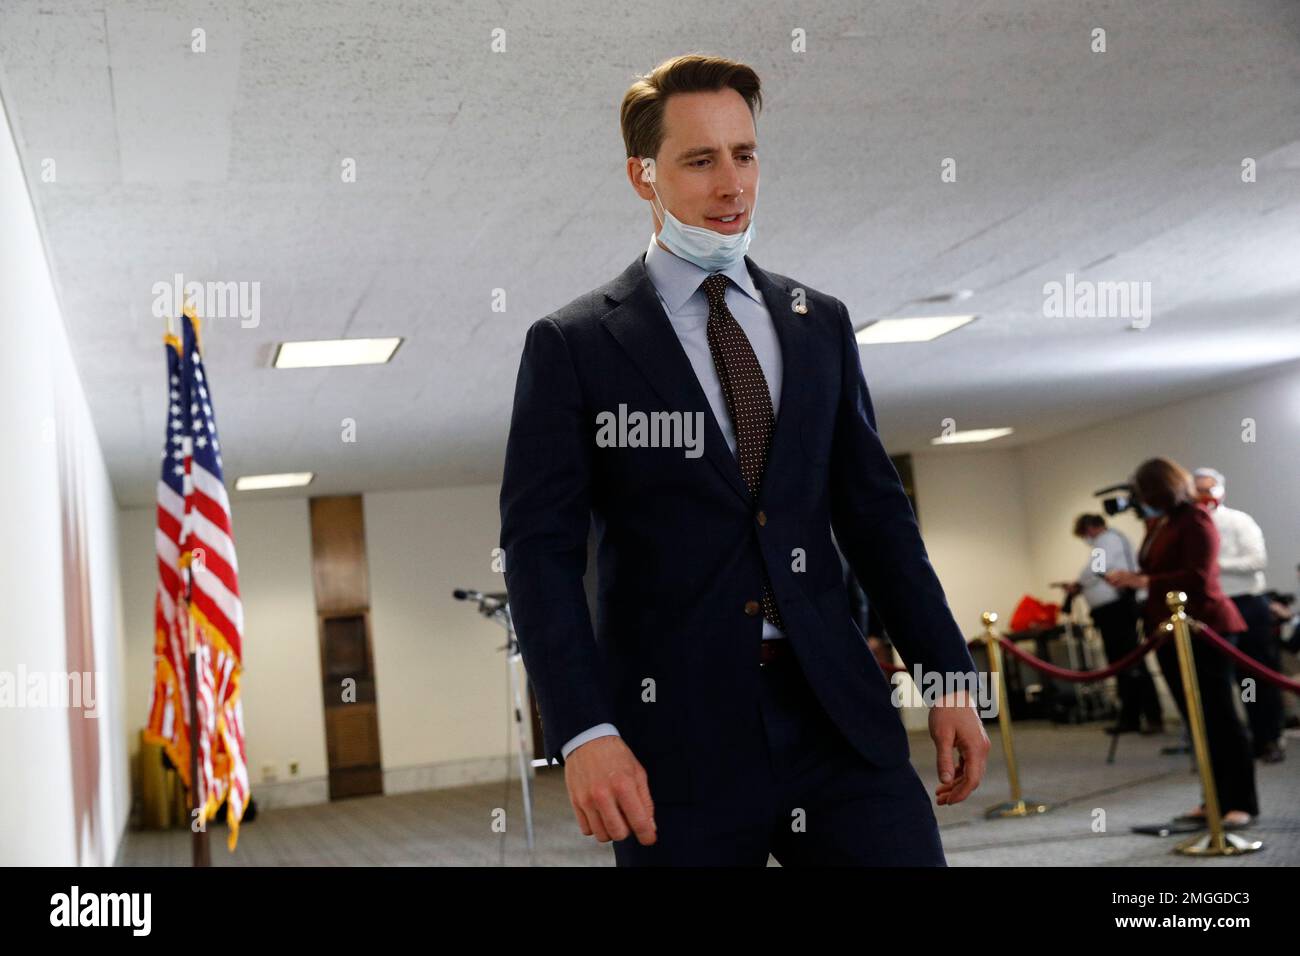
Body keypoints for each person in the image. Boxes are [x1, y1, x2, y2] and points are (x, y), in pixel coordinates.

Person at [498, 54, 989, 866]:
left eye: (745, 155)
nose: (732, 185)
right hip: (674, 738)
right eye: (700, 160)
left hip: (838, 717)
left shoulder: (817, 323)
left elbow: (876, 520)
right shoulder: (574, 347)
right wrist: (583, 729)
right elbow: (538, 554)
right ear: (642, 175)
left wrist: (947, 676)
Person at [1104, 457, 1259, 828]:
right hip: (1168, 631)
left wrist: (1143, 583)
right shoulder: (1163, 523)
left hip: (1206, 628)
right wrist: (1138, 578)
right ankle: (1213, 798)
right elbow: (1161, 569)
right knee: (1197, 722)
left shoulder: (1195, 519)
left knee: (1220, 718)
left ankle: (1241, 802)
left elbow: (1200, 577)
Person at [1193, 467, 1284, 763]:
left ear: (1221, 490)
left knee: (1255, 677)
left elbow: (1257, 560)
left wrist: (1213, 564)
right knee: (1219, 681)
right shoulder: (1191, 526)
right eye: (1198, 489)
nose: (1203, 495)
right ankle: (1231, 748)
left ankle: (1267, 739)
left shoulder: (1238, 521)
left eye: (1208, 488)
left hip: (1246, 605)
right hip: (1210, 609)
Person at [1054, 514, 1162, 735]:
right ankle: (1131, 716)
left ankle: (1148, 716)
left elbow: (1097, 567)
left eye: (1085, 533)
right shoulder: (1107, 541)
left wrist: (1077, 584)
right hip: (1110, 611)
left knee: (1130, 662)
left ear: (1091, 527)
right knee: (1122, 663)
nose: (1086, 538)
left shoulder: (1107, 540)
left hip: (1117, 609)